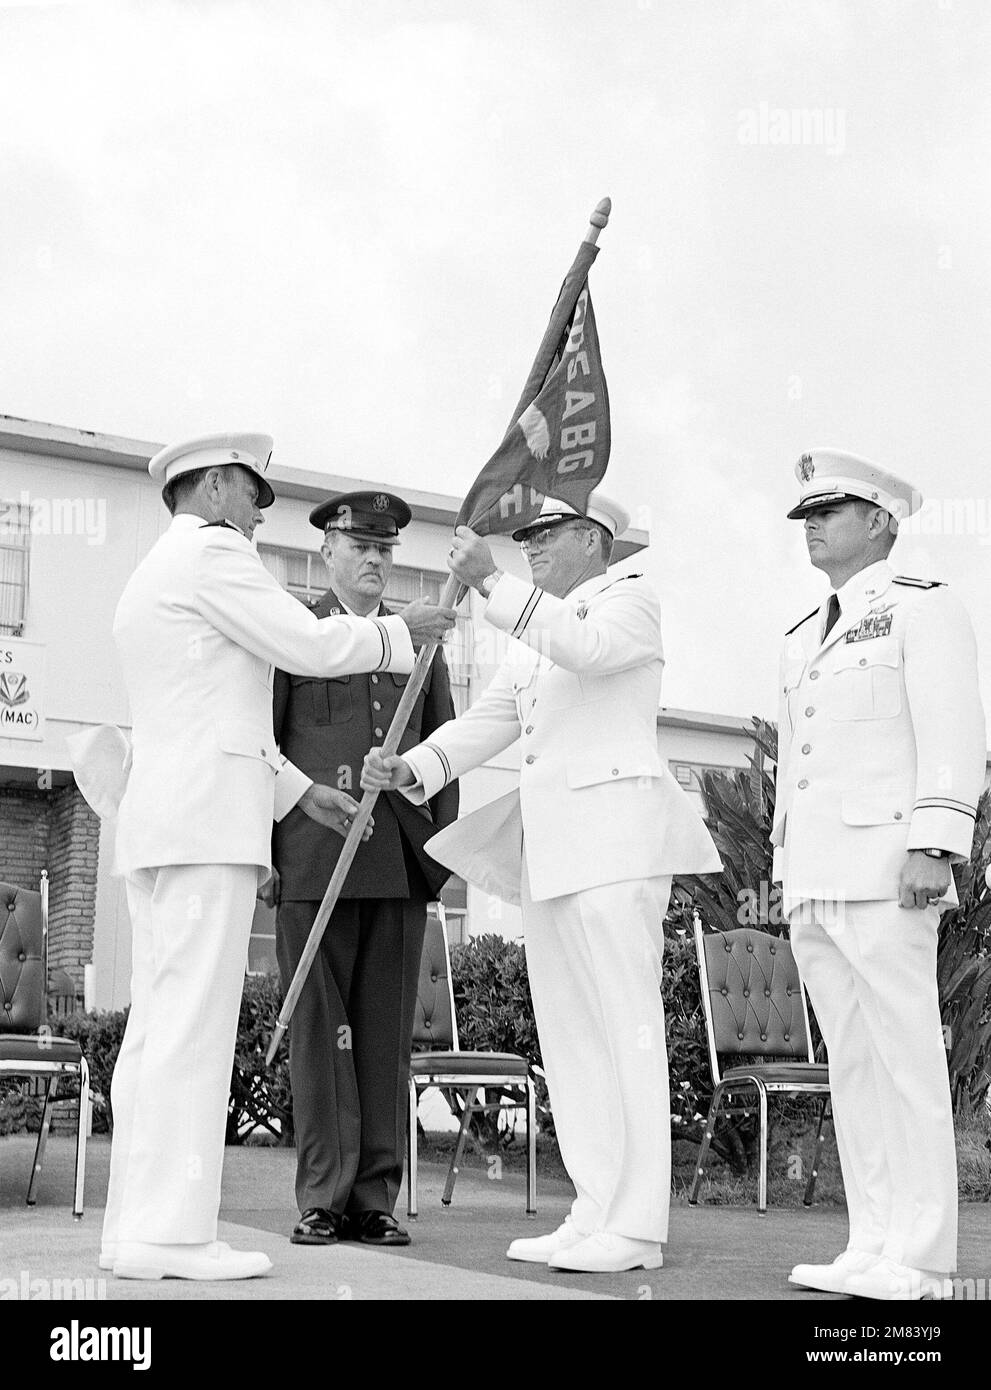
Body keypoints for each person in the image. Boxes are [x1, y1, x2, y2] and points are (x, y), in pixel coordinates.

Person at [92, 433, 455, 1282]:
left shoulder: (160, 567)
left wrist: (299, 795)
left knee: (158, 1033)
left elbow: (226, 714)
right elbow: (314, 648)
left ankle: (134, 1231)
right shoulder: (214, 554)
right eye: (254, 492)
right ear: (215, 487)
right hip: (205, 826)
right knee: (191, 1033)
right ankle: (174, 1237)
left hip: (174, 820)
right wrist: (409, 629)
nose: (261, 512)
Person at [362, 491, 721, 1274]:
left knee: (624, 1031)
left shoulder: (627, 602)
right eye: (521, 535)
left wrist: (490, 583)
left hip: (617, 845)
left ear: (594, 540)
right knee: (571, 1038)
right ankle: (594, 1208)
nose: (528, 544)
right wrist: (412, 767)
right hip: (552, 849)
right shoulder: (531, 628)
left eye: (544, 533)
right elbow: (489, 720)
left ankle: (636, 1226)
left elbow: (584, 650)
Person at [772, 449, 985, 1301]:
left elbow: (951, 731)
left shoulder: (921, 610)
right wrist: (787, 867)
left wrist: (934, 843)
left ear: (881, 522)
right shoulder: (801, 633)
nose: (813, 526)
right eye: (806, 516)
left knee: (903, 1060)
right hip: (816, 873)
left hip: (886, 865)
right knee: (853, 1065)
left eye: (831, 511)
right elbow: (801, 763)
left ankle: (925, 1257)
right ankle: (871, 1242)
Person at [267, 490, 459, 1249]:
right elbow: (264, 743)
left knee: (381, 1034)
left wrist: (435, 856)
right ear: (328, 553)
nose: (376, 560)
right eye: (361, 547)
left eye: (386, 549)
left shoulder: (422, 642)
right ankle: (322, 1194)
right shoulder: (295, 632)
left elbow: (445, 745)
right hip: (313, 860)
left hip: (395, 860)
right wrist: (264, 851)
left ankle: (374, 1197)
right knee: (321, 1033)